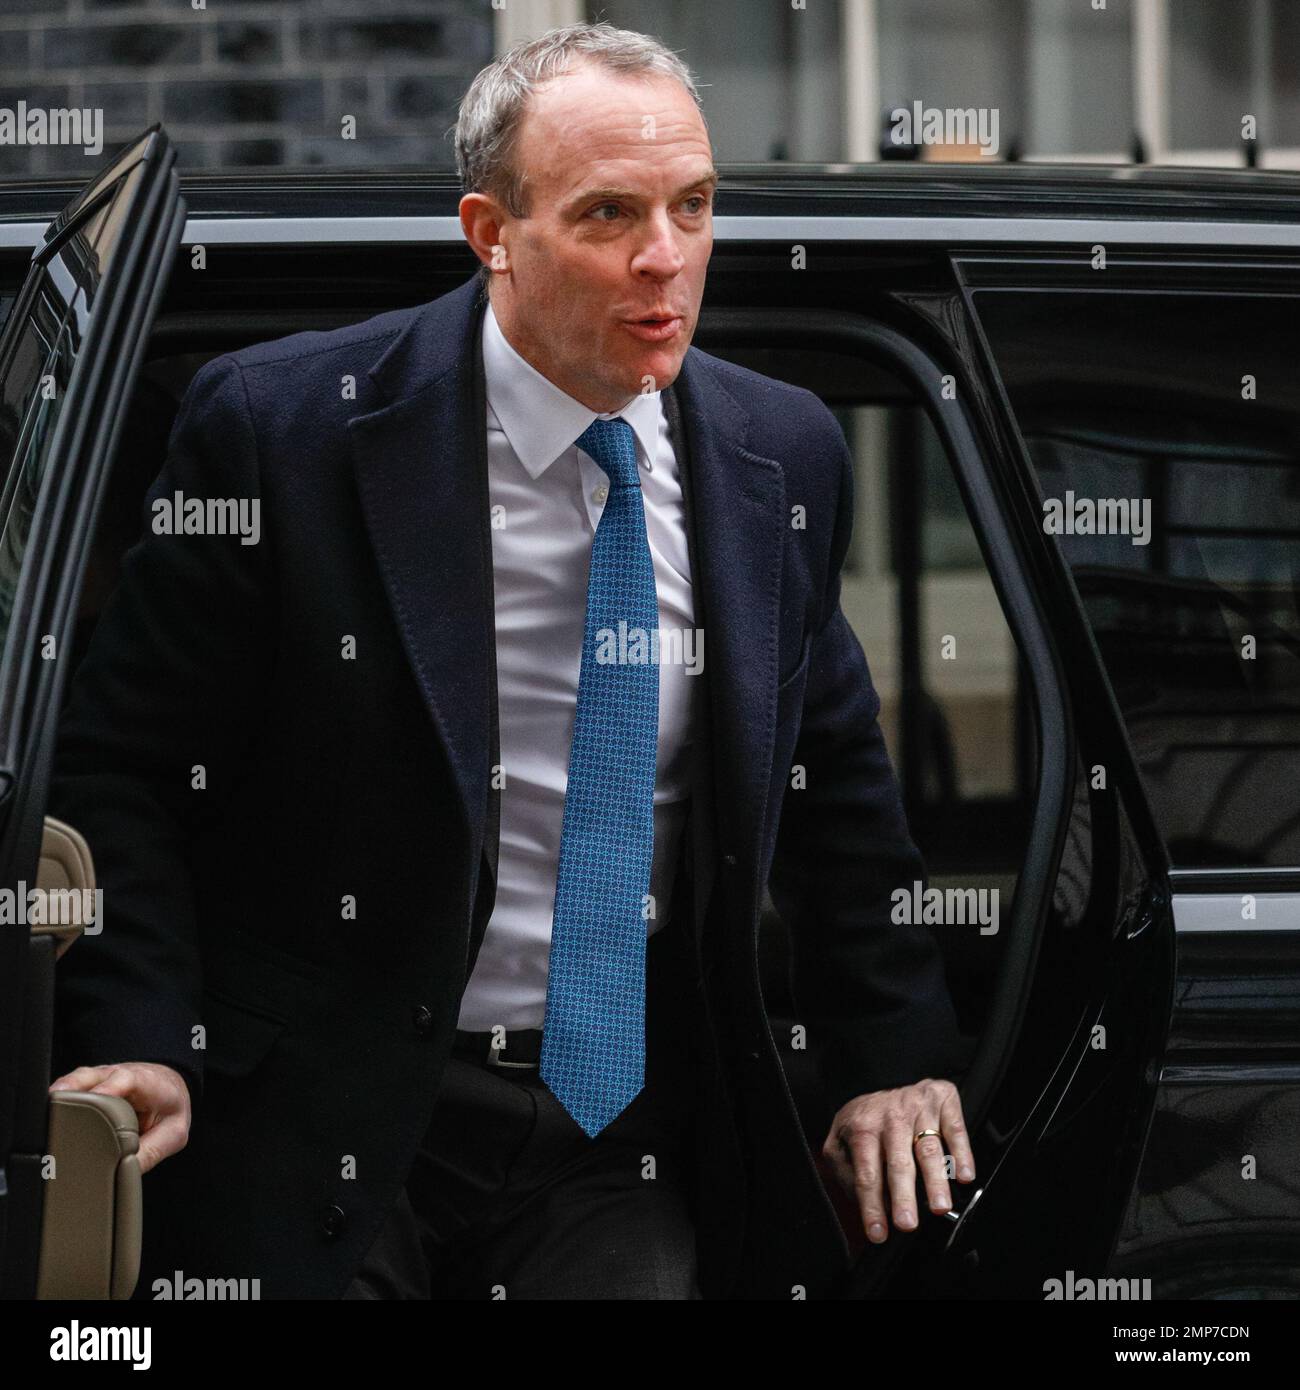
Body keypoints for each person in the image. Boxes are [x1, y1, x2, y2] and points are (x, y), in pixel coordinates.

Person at [46, 21, 973, 1300]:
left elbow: (839, 793)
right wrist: (144, 1034)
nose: (666, 259)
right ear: (491, 232)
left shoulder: (782, 451)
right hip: (323, 1104)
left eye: (693, 206)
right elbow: (119, 771)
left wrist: (890, 1057)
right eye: (607, 215)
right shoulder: (283, 432)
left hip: (616, 1132)